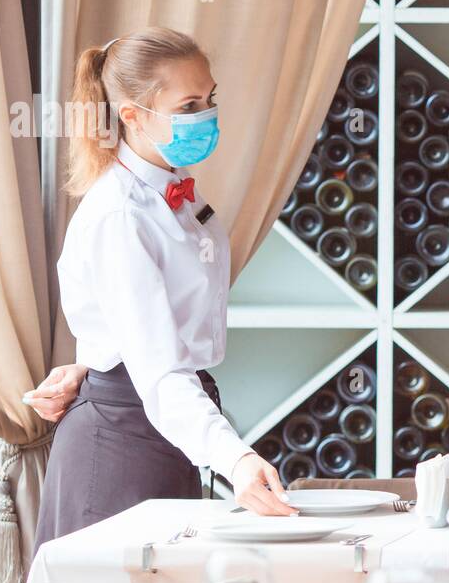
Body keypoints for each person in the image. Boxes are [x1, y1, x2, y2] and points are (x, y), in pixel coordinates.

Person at [30, 27, 294, 550]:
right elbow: (158, 369)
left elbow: (146, 330)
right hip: (120, 442)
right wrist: (237, 460)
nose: (206, 114)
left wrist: (92, 360)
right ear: (132, 116)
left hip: (167, 426)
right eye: (189, 103)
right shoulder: (120, 215)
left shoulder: (176, 197)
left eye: (210, 98)